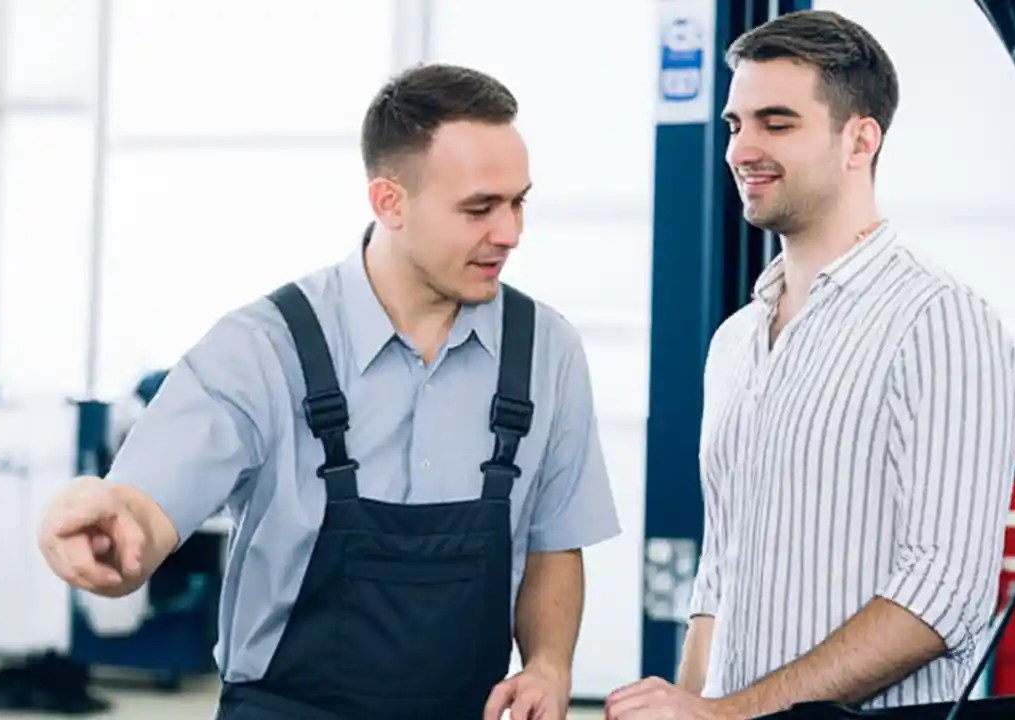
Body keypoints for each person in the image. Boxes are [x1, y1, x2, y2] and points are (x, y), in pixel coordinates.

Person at [36, 63, 621, 720]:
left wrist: (548, 664)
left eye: (518, 202)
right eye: (479, 208)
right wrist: (116, 525)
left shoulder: (548, 352)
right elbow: (146, 504)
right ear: (389, 202)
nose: (511, 233)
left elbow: (552, 541)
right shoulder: (263, 347)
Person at [606, 10, 1015, 719]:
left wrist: (727, 714)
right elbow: (721, 573)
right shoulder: (735, 342)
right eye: (736, 124)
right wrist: (692, 703)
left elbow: (943, 595)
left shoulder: (940, 322)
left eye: (777, 122)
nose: (741, 149)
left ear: (860, 139)